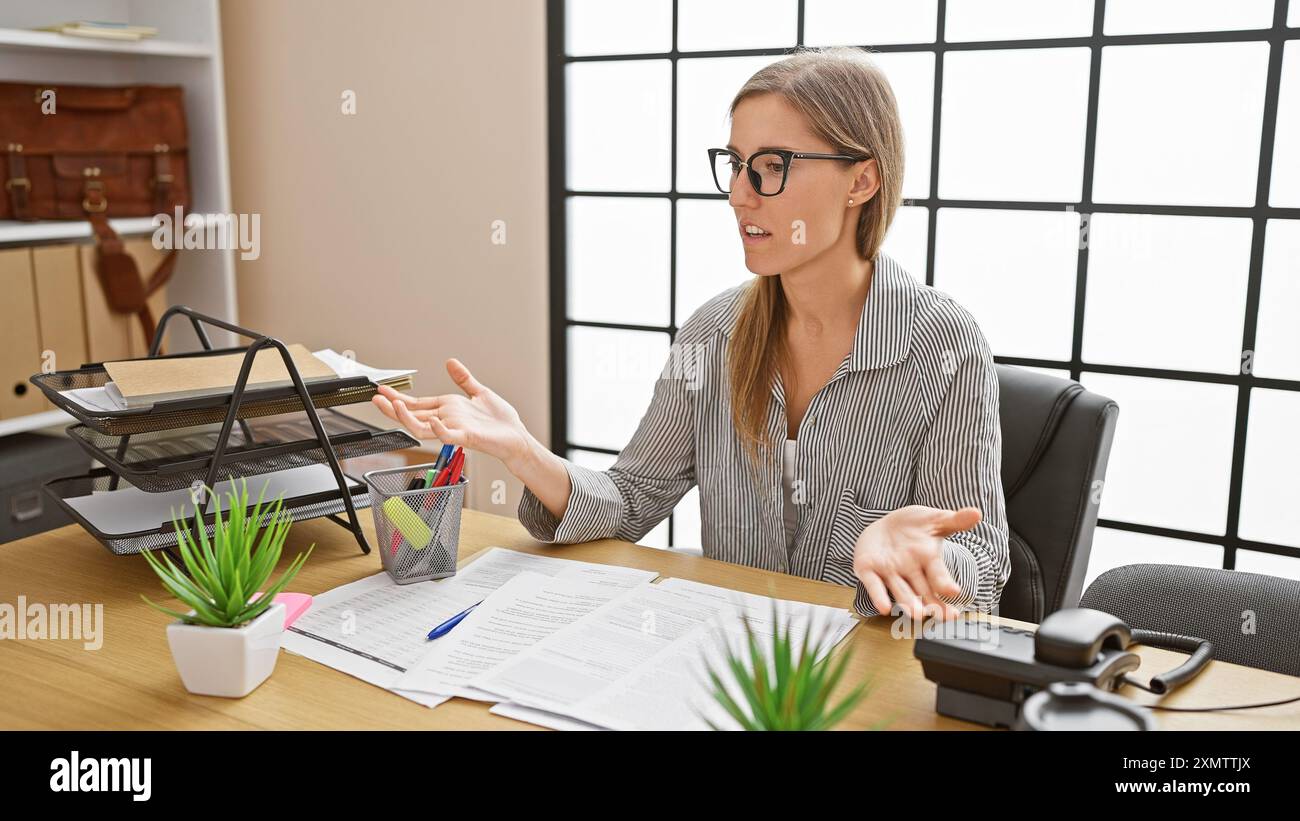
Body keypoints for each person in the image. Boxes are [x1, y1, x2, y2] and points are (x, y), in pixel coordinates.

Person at [375, 46, 1010, 622]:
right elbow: (631, 500)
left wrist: (926, 560)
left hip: (853, 680)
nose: (739, 195)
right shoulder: (713, 333)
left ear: (861, 181)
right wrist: (522, 451)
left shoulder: (945, 344)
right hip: (722, 667)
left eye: (770, 166)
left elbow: (983, 564)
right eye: (735, 166)